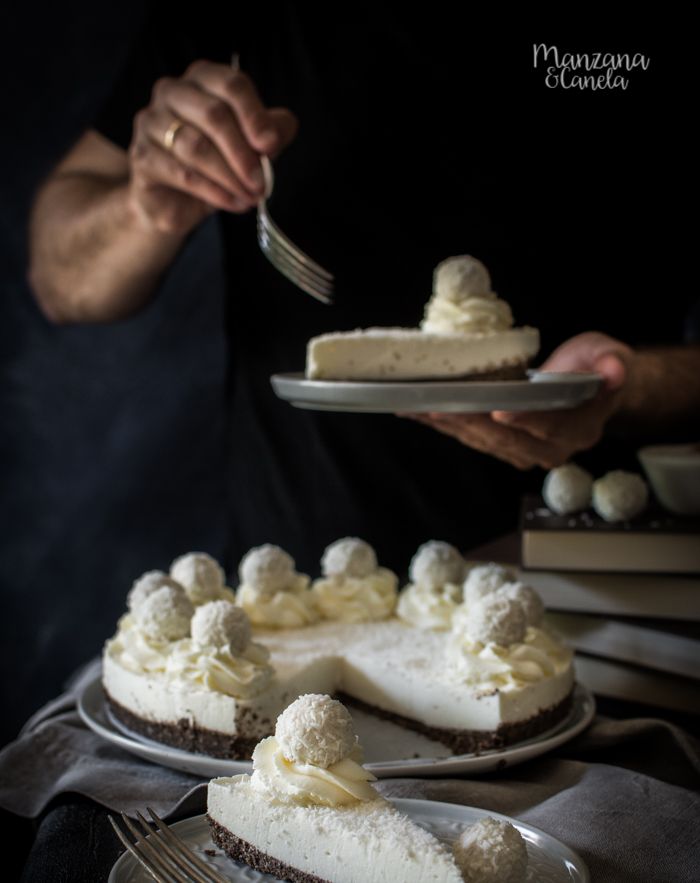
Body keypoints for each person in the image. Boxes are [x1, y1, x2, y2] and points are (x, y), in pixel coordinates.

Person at [28, 6, 700, 575]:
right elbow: (60, 281)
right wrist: (145, 209)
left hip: (603, 592)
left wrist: (622, 389)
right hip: (304, 593)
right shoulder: (231, 17)